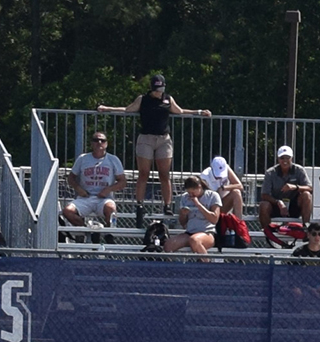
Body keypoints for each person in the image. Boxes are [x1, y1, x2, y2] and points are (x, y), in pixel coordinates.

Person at [98, 74, 211, 210]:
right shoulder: (143, 99)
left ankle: (167, 205)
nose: (159, 92)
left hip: (164, 139)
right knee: (144, 173)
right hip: (146, 138)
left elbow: (179, 111)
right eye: (156, 89)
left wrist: (198, 112)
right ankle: (139, 205)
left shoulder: (168, 99)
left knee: (164, 174)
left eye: (160, 89)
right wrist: (107, 108)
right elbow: (128, 109)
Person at [62, 131, 125, 229]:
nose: (99, 142)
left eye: (102, 140)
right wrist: (79, 189)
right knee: (67, 211)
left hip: (104, 199)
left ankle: (110, 234)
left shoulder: (113, 159)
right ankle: (86, 231)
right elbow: (71, 178)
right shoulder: (83, 158)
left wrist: (108, 190)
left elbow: (122, 182)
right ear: (91, 143)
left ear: (106, 144)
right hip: (85, 197)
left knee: (111, 209)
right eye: (96, 140)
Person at [259, 145, 313, 234]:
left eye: (287, 158)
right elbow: (264, 194)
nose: (284, 161)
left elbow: (310, 188)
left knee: (306, 195)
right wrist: (278, 202)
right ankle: (268, 233)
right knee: (263, 205)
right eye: (282, 158)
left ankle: (305, 227)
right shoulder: (270, 173)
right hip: (276, 206)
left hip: (294, 206)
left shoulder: (299, 170)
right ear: (278, 159)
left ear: (292, 158)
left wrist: (296, 187)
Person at [164, 174, 221, 255]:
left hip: (207, 233)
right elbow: (183, 223)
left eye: (193, 192)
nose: (190, 195)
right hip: (190, 232)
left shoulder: (213, 196)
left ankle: (207, 264)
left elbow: (214, 219)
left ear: (199, 187)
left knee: (194, 240)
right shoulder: (185, 198)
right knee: (168, 245)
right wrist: (183, 214)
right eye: (189, 192)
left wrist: (198, 204)